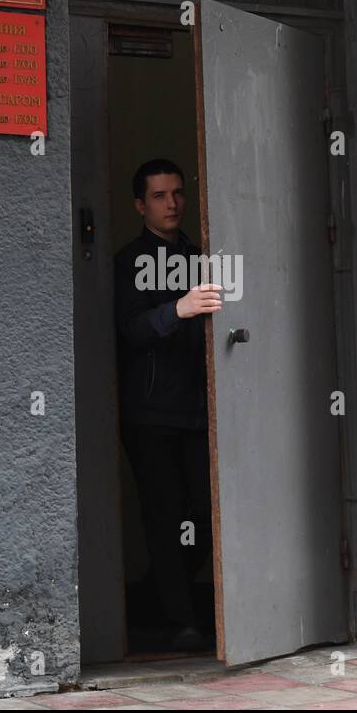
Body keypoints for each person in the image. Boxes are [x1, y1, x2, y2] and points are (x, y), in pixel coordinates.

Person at [113, 158, 223, 652]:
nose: (172, 202)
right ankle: (182, 623)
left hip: (201, 412)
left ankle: (160, 595)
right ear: (140, 205)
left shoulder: (203, 258)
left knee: (205, 513)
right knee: (162, 516)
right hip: (150, 415)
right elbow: (129, 330)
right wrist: (177, 309)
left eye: (177, 192)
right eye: (159, 195)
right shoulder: (128, 261)